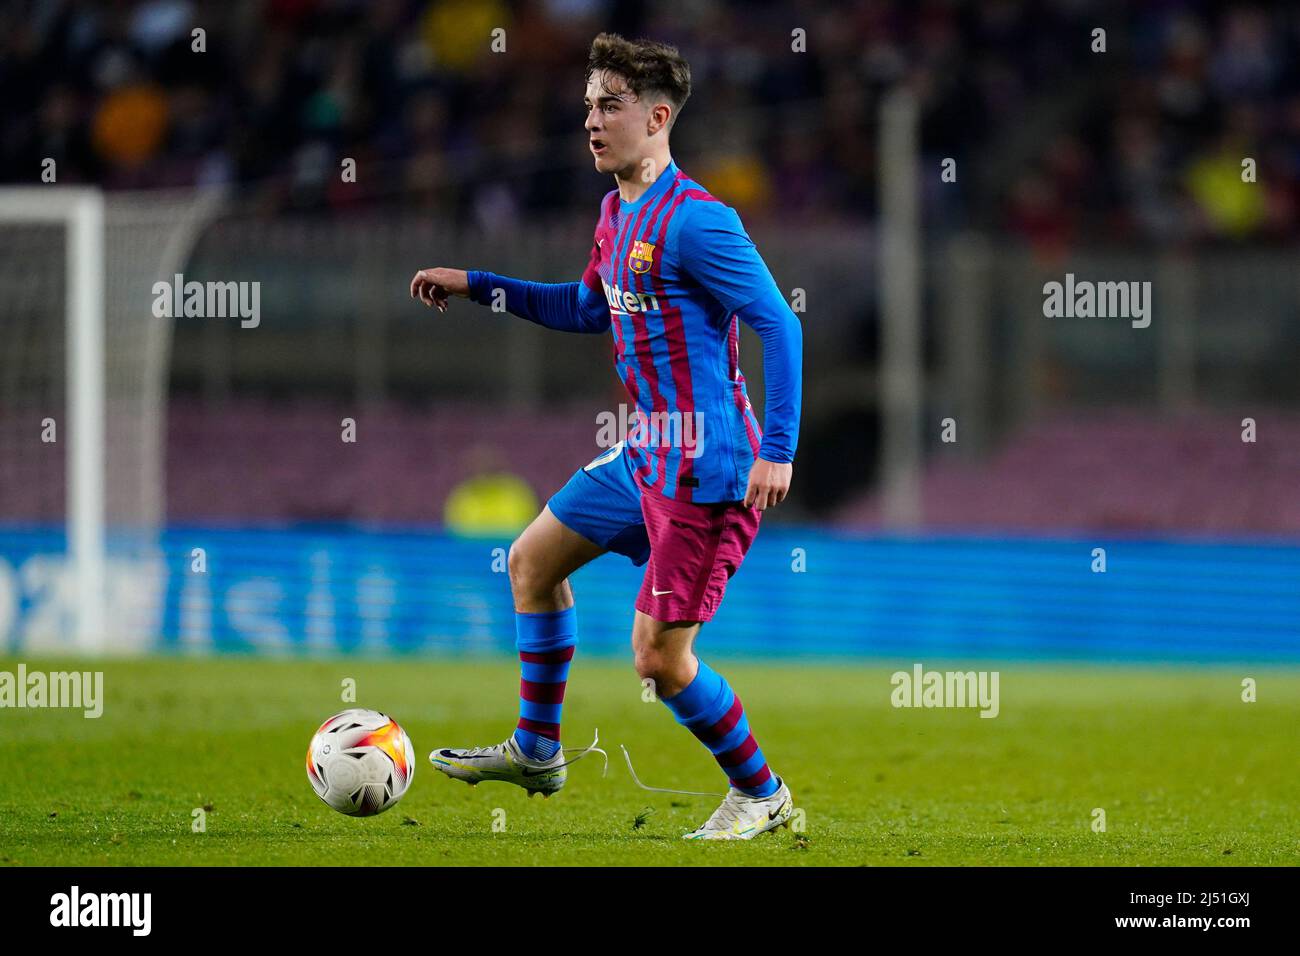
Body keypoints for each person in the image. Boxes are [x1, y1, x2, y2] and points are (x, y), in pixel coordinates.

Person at [409, 32, 802, 840]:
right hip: (644, 452)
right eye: (589, 103)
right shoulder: (615, 212)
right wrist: (479, 284)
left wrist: (780, 448)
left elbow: (779, 324)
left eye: (611, 105)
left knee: (659, 661)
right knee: (531, 561)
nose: (592, 119)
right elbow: (587, 309)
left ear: (658, 117)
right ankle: (537, 747)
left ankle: (761, 793)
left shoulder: (700, 222)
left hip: (708, 465)